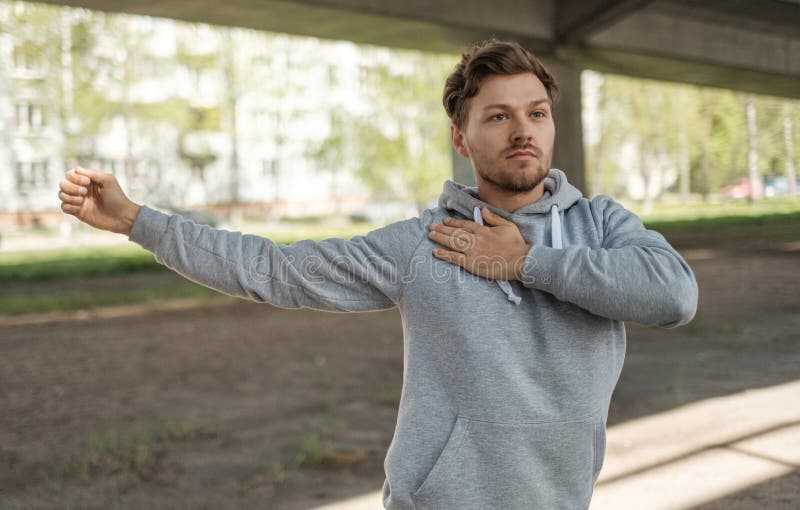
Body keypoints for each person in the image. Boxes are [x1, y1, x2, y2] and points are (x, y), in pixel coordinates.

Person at [58, 39, 698, 510]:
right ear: (461, 136)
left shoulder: (602, 226)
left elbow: (673, 297)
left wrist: (526, 262)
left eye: (536, 113)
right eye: (498, 116)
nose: (522, 131)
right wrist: (137, 221)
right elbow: (274, 269)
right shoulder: (422, 246)